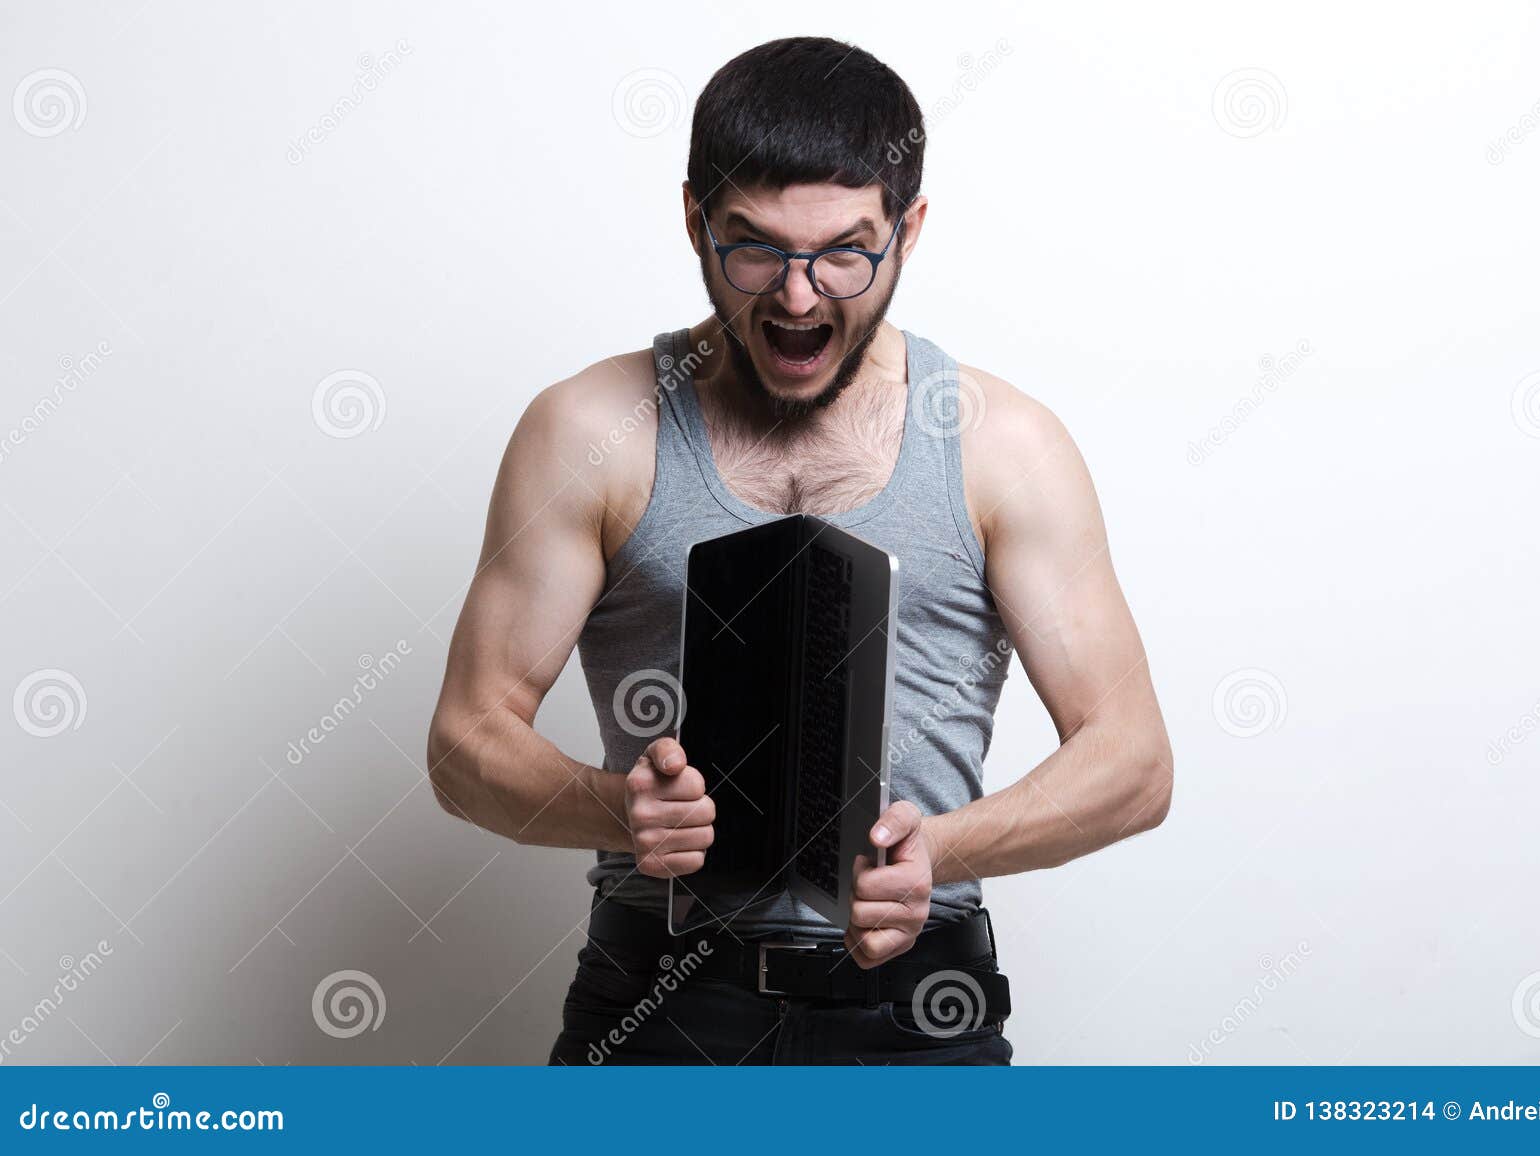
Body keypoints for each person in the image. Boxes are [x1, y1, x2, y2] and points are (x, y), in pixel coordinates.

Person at [426, 36, 1173, 1065]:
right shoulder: (589, 430)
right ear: (694, 218)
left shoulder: (1003, 444)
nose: (798, 297)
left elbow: (1132, 761)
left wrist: (934, 851)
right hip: (659, 1002)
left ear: (907, 231)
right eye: (755, 246)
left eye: (843, 251)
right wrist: (621, 811)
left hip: (918, 1013)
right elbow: (465, 746)